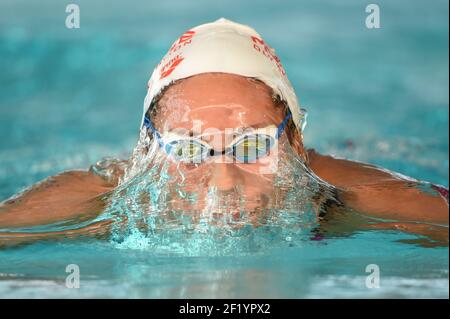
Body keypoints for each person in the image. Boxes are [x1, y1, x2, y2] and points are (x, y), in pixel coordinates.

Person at [0, 19, 447, 247]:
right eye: (188, 150)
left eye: (251, 145)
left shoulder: (347, 195)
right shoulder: (101, 197)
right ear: (146, 152)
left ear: (294, 143)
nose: (223, 181)